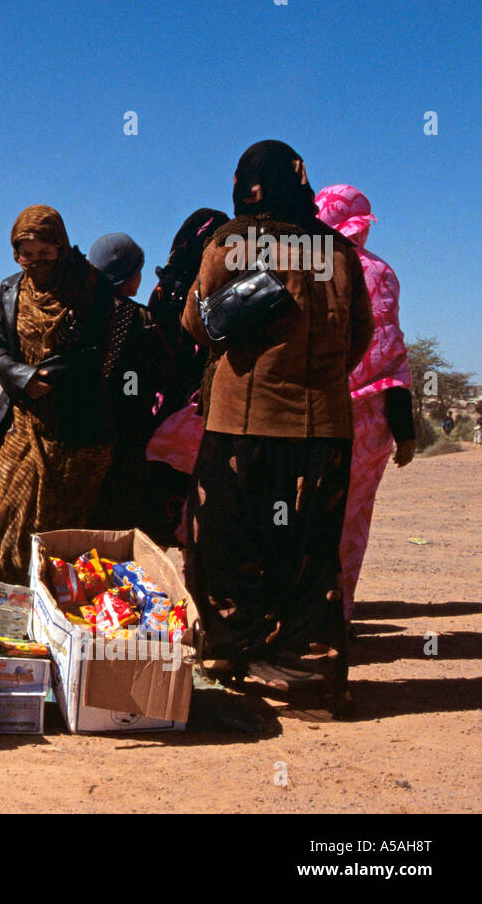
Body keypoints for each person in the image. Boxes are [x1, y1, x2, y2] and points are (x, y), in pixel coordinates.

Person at [181, 140, 374, 716]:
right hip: (324, 429)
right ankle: (307, 670)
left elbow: (197, 321)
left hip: (243, 423)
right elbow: (358, 339)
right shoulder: (338, 249)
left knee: (226, 536)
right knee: (311, 545)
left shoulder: (230, 242)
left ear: (245, 182)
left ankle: (226, 652)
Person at [0, 206, 128, 588]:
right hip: (19, 423)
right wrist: (23, 378)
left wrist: (48, 378)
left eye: (45, 255)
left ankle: (48, 619)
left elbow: (94, 353)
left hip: (74, 434)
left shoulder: (92, 287)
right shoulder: (8, 290)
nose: (35, 263)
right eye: (25, 255)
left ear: (61, 247)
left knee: (54, 537)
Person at [314, 184, 415, 628]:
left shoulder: (300, 268)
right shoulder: (380, 274)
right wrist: (405, 429)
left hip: (307, 412)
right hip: (368, 419)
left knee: (302, 514)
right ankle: (334, 616)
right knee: (351, 521)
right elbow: (389, 353)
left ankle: (293, 619)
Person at [142, 209, 230, 545]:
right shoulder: (213, 285)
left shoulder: (162, 288)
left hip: (161, 407)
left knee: (161, 497)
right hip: (197, 406)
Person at [85, 233, 170, 532]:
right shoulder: (140, 318)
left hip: (79, 431)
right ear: (129, 275)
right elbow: (158, 371)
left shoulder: (76, 310)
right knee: (116, 519)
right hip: (125, 433)